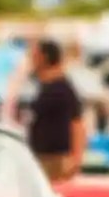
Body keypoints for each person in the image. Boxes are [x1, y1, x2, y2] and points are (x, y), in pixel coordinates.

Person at [26, 39, 85, 182]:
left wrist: (76, 157)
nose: (30, 60)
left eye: (34, 56)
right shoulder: (43, 86)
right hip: (41, 155)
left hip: (56, 159)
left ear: (44, 57)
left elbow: (77, 123)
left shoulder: (62, 89)